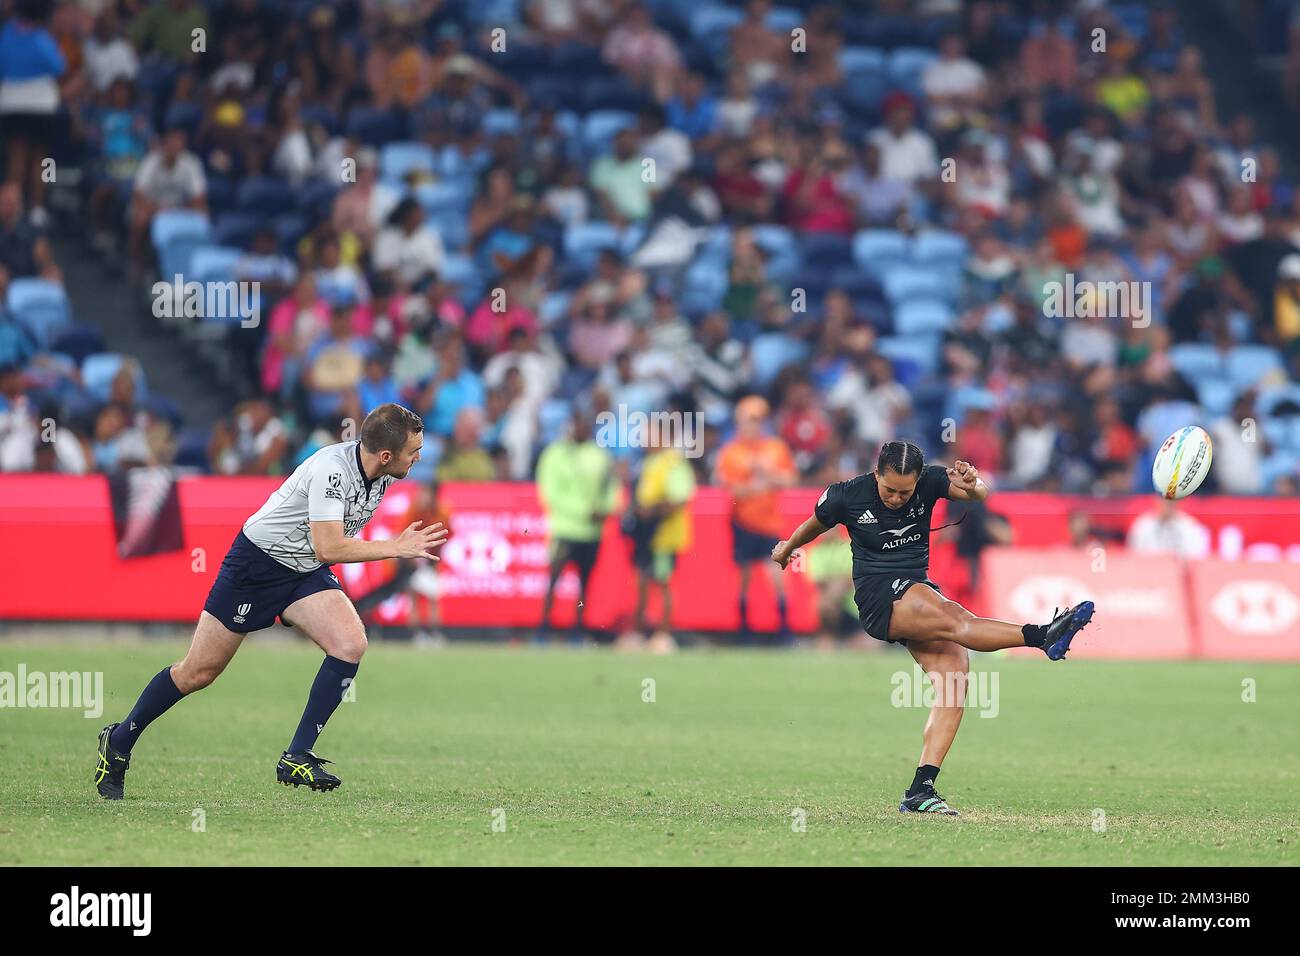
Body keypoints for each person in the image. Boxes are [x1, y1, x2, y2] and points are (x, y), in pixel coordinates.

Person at [94, 404, 447, 799]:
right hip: (256, 566)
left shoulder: (381, 473)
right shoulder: (333, 471)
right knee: (198, 672)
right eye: (413, 452)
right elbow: (329, 546)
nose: (418, 458)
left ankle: (297, 755)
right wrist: (394, 548)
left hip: (304, 569)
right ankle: (120, 740)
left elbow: (321, 550)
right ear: (386, 455)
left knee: (350, 643)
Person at [771, 440, 1096, 816]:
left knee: (954, 680)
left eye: (904, 492)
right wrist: (786, 548)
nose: (896, 498)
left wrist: (974, 484)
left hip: (916, 587)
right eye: (889, 489)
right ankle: (1042, 635)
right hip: (880, 595)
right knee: (957, 620)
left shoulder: (929, 481)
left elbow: (977, 495)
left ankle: (921, 790)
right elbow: (814, 525)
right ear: (876, 474)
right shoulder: (848, 494)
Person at [715, 395, 797, 643]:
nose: (751, 425)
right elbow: (731, 488)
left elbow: (790, 479)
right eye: (747, 420)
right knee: (743, 577)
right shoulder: (731, 452)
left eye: (756, 420)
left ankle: (784, 627)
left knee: (777, 574)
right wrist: (760, 484)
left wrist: (765, 477)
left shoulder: (775, 448)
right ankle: (743, 627)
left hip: (770, 523)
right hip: (743, 523)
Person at [535, 408, 620, 644]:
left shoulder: (600, 456)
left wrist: (607, 509)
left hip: (592, 531)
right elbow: (550, 492)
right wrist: (584, 511)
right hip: (564, 528)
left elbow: (611, 487)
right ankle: (544, 626)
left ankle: (578, 628)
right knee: (554, 579)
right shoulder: (555, 454)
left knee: (585, 583)